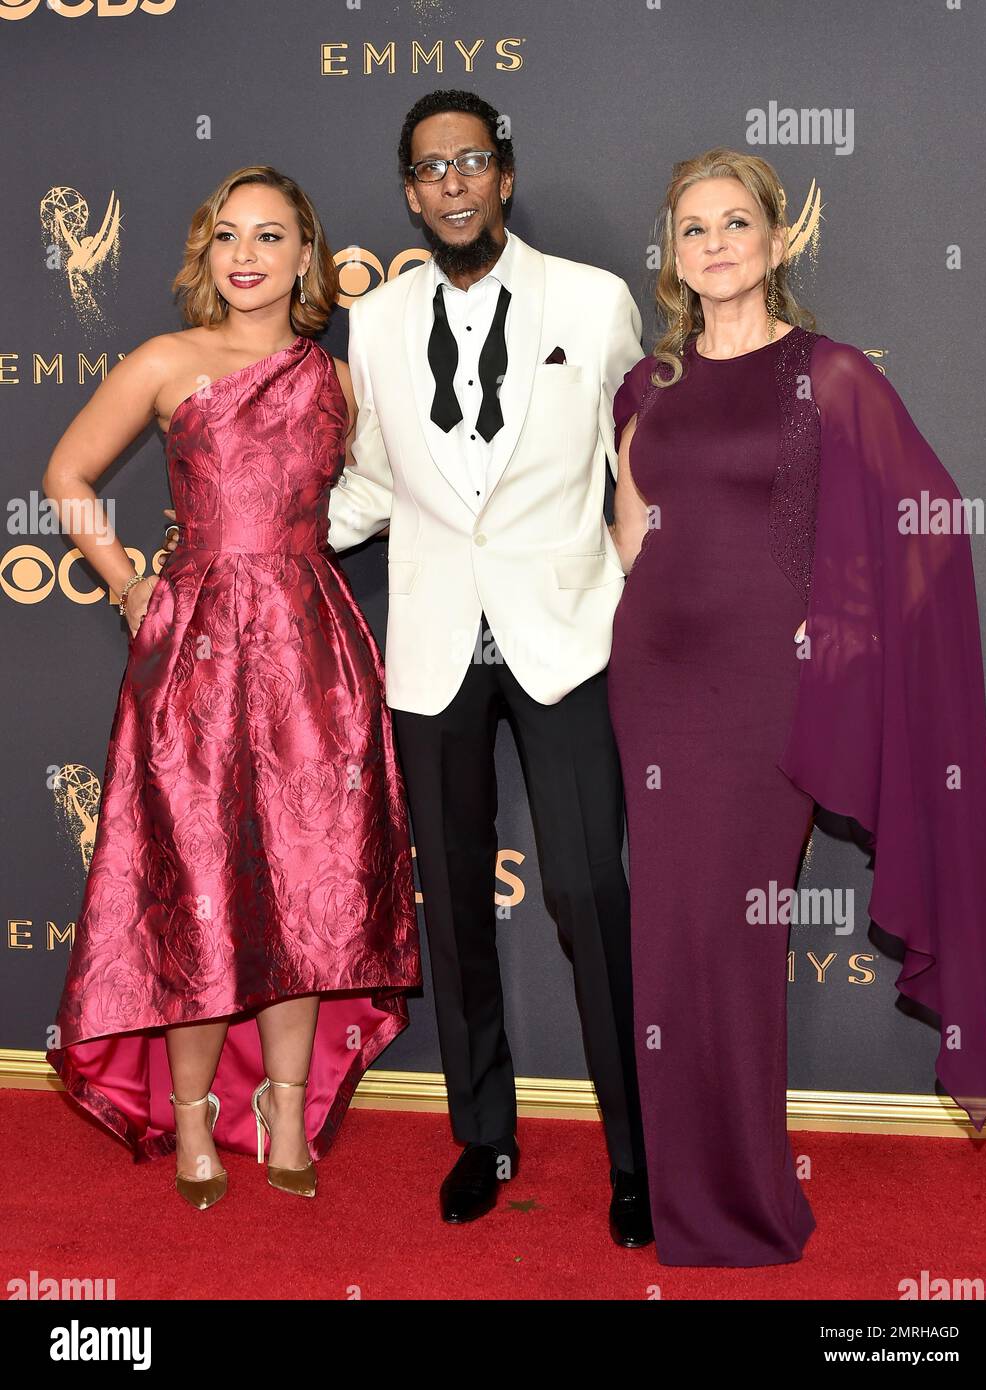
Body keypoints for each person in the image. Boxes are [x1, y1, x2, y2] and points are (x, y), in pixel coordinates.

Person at [607, 146, 986, 1266]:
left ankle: (743, 1203)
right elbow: (631, 531)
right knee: (671, 937)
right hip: (656, 679)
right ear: (672, 257)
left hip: (762, 691)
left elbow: (927, 512)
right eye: (693, 228)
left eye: (736, 223)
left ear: (777, 242)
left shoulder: (826, 374)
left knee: (733, 939)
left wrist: (838, 622)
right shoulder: (651, 385)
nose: (716, 243)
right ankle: (694, 1200)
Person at [43, 165, 420, 1211]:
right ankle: (195, 1122)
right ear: (206, 254)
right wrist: (130, 585)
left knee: (308, 895)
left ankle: (288, 1113)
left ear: (309, 256)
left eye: (270, 235)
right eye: (226, 235)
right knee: (198, 893)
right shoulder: (169, 360)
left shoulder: (338, 381)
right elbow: (68, 474)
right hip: (195, 654)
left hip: (311, 650)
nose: (246, 254)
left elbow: (390, 493)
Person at [323, 89, 652, 1244]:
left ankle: (634, 1152)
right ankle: (485, 1132)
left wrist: (629, 576)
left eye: (470, 162)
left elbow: (640, 457)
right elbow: (367, 481)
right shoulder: (375, 323)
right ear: (409, 193)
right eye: (428, 169)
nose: (451, 183)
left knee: (588, 890)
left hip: (564, 636)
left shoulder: (593, 300)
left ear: (503, 175)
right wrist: (257, 536)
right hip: (431, 645)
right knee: (452, 900)